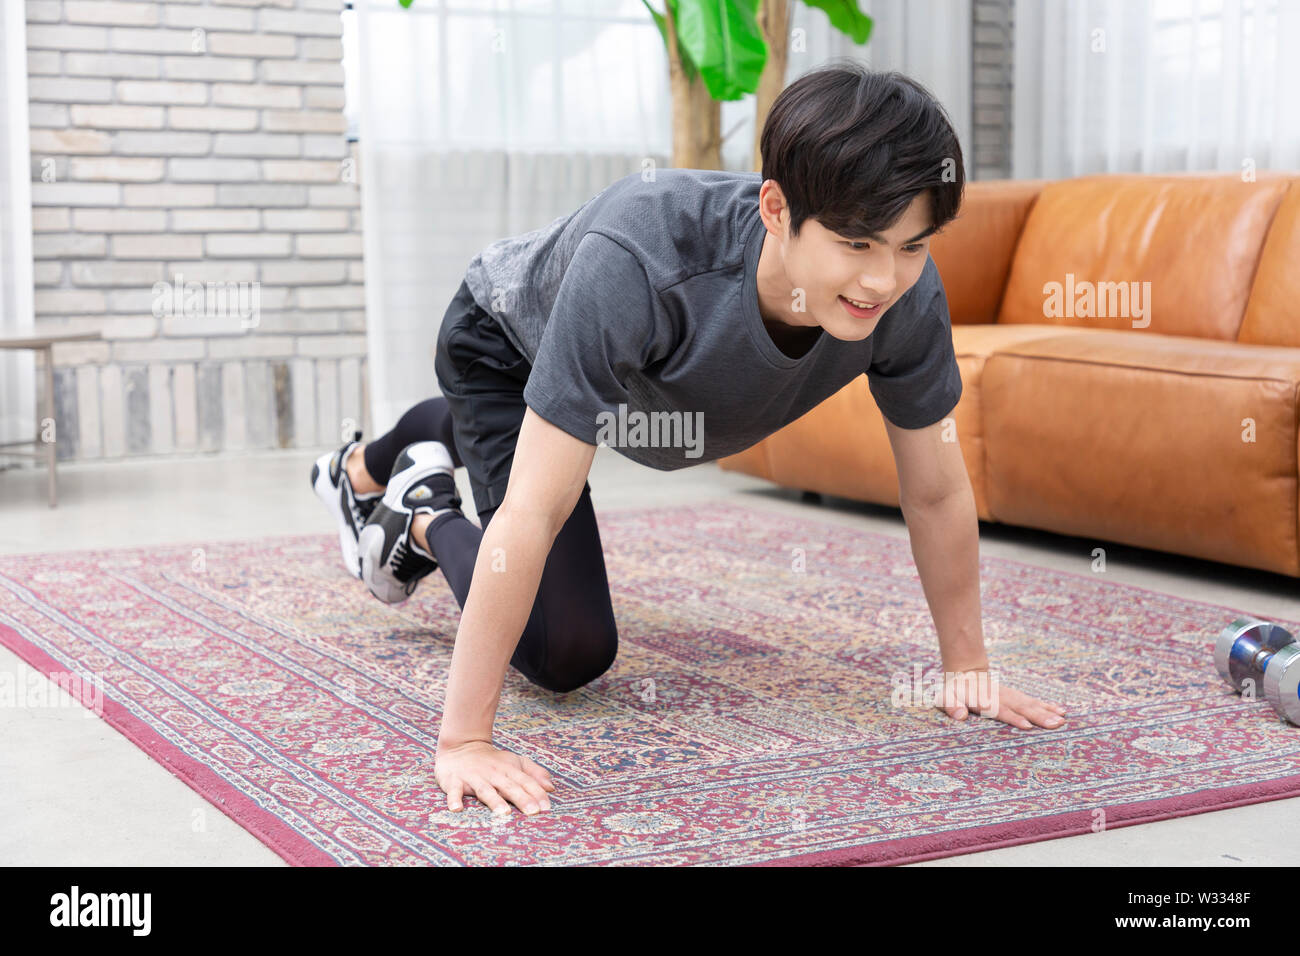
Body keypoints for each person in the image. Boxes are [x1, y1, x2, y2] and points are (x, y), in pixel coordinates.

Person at [311, 62, 1068, 819]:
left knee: (532, 471)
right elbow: (534, 514)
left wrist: (967, 665)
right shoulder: (640, 260)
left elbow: (933, 488)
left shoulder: (905, 295)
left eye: (911, 245)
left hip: (608, 399)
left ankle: (405, 455)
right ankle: (420, 514)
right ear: (776, 209)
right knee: (568, 650)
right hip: (505, 354)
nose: (883, 279)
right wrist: (464, 741)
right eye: (857, 244)